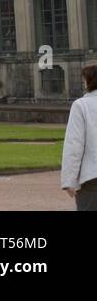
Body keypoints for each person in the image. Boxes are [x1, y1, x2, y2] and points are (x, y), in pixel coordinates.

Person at [62, 65, 97, 211]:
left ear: (89, 81)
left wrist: (69, 180)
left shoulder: (81, 105)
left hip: (92, 177)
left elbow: (74, 144)